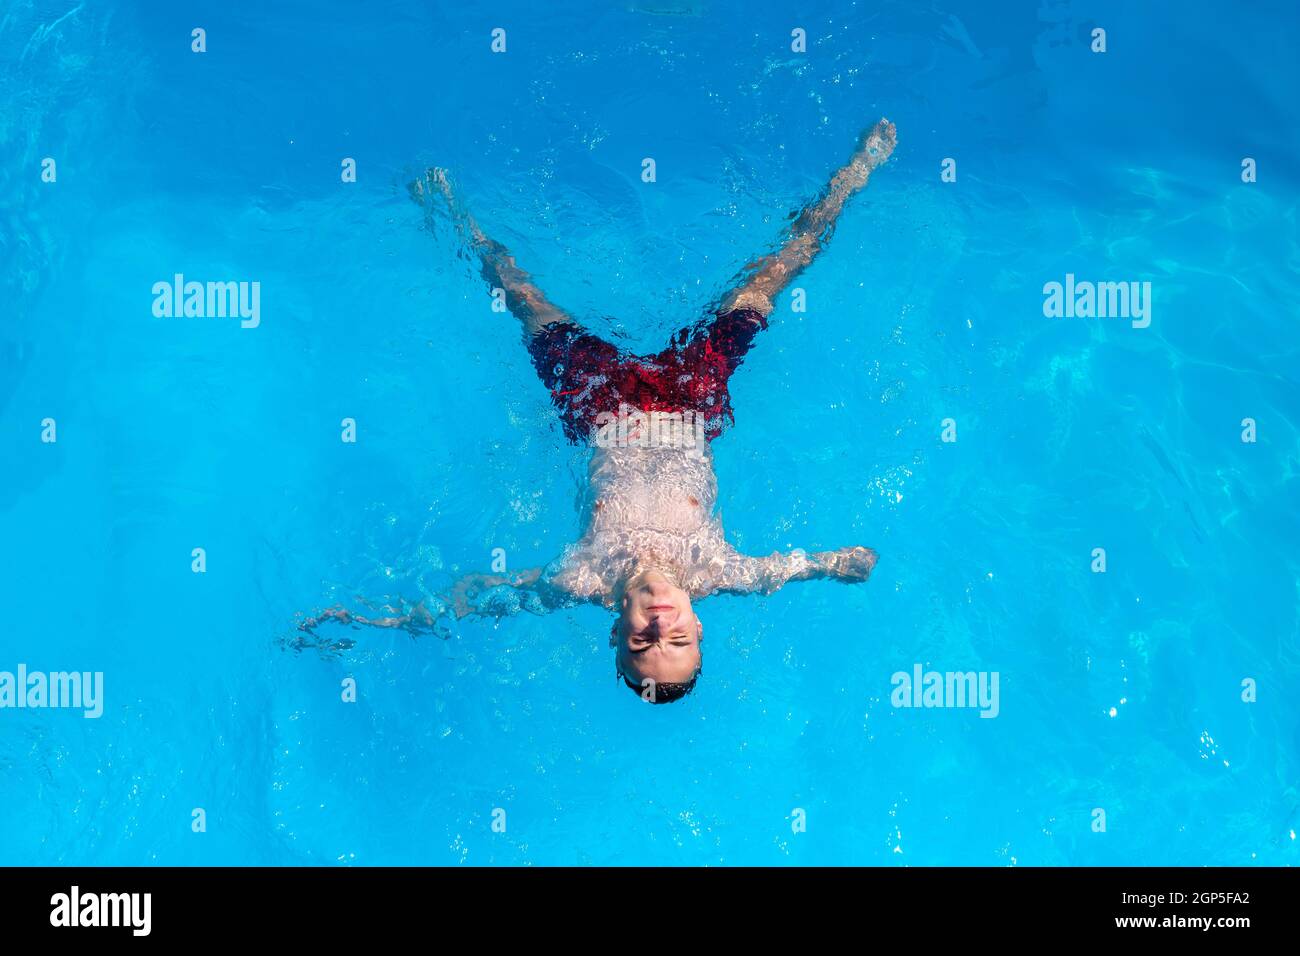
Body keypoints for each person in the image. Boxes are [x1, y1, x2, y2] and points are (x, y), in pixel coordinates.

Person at [300, 119, 897, 703]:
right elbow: (792, 567)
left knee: (519, 296)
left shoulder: (579, 578)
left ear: (615, 633)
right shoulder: (720, 572)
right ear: (698, 625)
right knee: (771, 279)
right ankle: (852, 177)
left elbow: (477, 599)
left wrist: (373, 621)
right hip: (691, 401)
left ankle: (455, 215)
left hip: (598, 402)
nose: (659, 627)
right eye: (680, 637)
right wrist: (839, 564)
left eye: (642, 644)